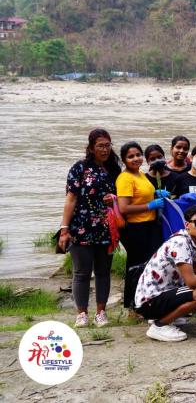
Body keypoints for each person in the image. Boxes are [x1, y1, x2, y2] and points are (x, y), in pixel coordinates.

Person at [134, 204, 196, 342]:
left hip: (161, 295)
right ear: (187, 224)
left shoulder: (194, 241)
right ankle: (159, 325)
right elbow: (191, 281)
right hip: (149, 301)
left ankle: (167, 316)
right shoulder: (180, 243)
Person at [59, 129, 121, 328]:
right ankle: (82, 314)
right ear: (91, 148)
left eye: (107, 145)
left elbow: (124, 198)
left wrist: (114, 200)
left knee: (103, 272)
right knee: (81, 273)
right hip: (81, 227)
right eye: (100, 146)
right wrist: (64, 229)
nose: (105, 149)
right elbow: (70, 199)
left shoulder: (114, 169)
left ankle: (101, 313)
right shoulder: (80, 168)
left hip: (106, 227)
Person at [116, 141, 167, 310]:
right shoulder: (125, 178)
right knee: (136, 267)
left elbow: (142, 195)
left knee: (149, 266)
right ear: (124, 160)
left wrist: (155, 194)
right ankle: (132, 306)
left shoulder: (140, 174)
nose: (136, 158)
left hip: (149, 226)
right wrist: (151, 205)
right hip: (136, 229)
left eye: (138, 155)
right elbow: (124, 208)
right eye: (131, 156)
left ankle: (146, 302)